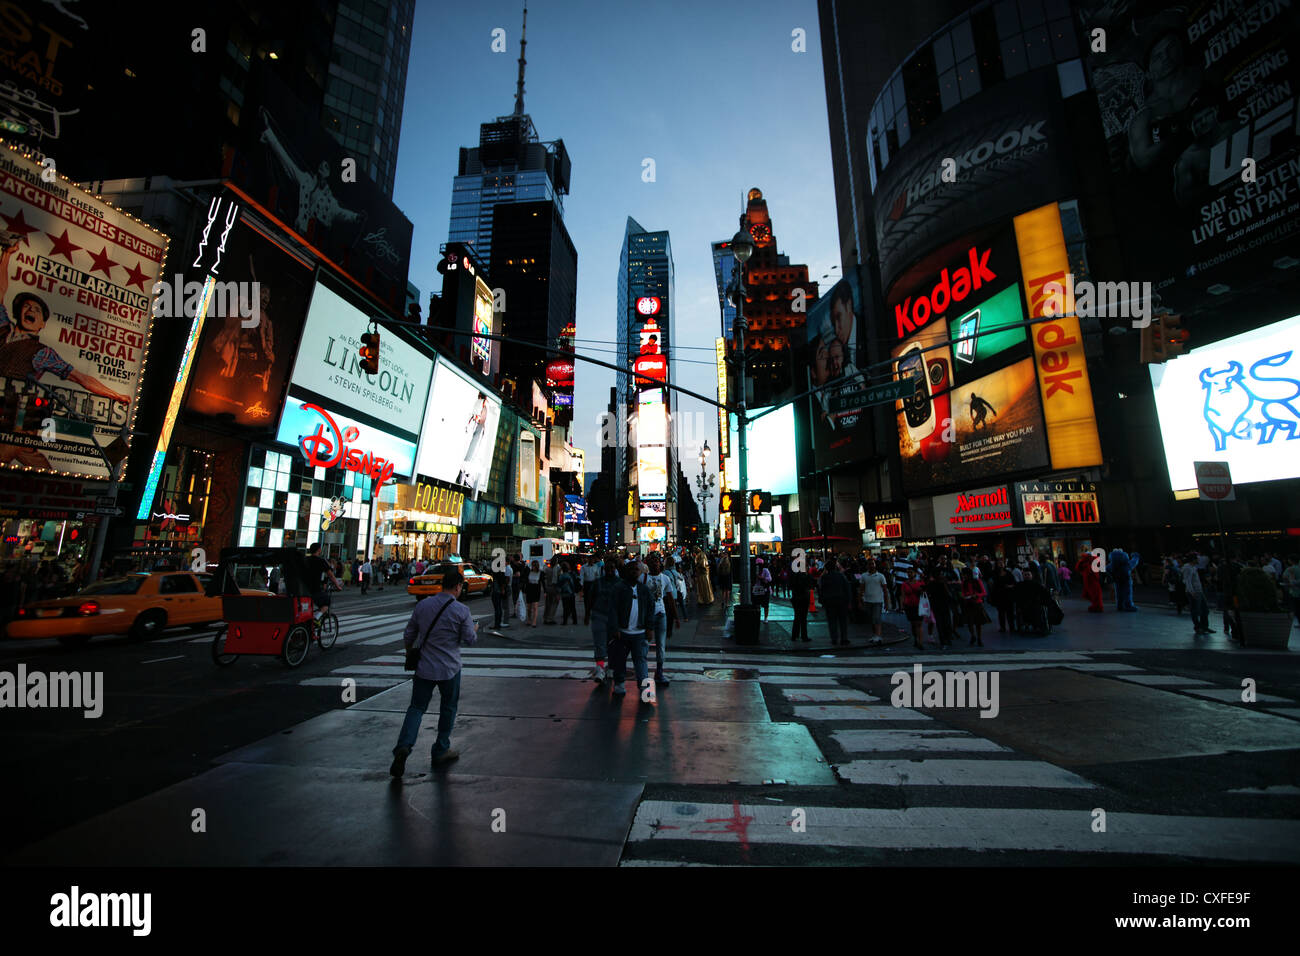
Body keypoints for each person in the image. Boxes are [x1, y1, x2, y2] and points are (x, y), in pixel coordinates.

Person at [390, 569, 478, 776]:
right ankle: (441, 748)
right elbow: (470, 640)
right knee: (448, 707)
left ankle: (404, 746)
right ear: (457, 587)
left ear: (442, 585)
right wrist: (473, 629)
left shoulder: (423, 605)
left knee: (416, 708)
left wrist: (408, 653)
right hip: (449, 668)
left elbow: (409, 633)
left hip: (424, 667)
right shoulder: (461, 610)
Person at [609, 563, 654, 702]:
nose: (634, 573)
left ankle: (645, 690)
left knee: (641, 661)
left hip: (639, 632)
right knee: (620, 660)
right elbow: (612, 609)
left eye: (636, 570)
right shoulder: (618, 588)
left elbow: (650, 609)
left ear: (640, 572)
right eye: (631, 570)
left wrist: (649, 627)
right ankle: (619, 685)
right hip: (623, 632)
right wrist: (615, 628)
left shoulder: (644, 589)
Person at [641, 553, 676, 687]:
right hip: (647, 616)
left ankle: (659, 672)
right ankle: (643, 671)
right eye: (652, 561)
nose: (655, 564)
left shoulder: (665, 578)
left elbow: (670, 598)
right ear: (647, 564)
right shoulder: (642, 578)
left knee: (661, 645)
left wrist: (676, 617)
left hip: (661, 614)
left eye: (656, 561)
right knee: (644, 644)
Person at [589, 559, 620, 684]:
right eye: (608, 568)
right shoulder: (598, 583)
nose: (610, 571)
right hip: (599, 614)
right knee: (600, 643)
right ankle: (600, 668)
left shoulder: (619, 583)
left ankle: (611, 667)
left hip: (613, 617)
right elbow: (590, 598)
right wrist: (588, 613)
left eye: (612, 568)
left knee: (613, 644)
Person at [819, 559, 852, 646]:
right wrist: (849, 601)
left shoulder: (824, 578)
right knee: (843, 621)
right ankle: (844, 638)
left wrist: (822, 600)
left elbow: (821, 590)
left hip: (829, 602)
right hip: (841, 601)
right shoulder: (841, 576)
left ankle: (834, 638)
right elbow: (847, 588)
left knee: (832, 621)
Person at [304, 543, 341, 618]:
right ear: (319, 550)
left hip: (303, 589)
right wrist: (337, 586)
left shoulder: (305, 559)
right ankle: (317, 618)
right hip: (315, 589)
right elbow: (330, 575)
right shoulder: (321, 561)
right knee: (326, 603)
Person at [859, 558, 888, 645]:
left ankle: (878, 635)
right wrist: (860, 600)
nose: (871, 566)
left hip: (878, 601)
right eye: (869, 564)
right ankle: (875, 635)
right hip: (868, 601)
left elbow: (885, 590)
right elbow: (861, 589)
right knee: (872, 619)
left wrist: (887, 602)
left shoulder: (881, 576)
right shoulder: (864, 576)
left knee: (876, 618)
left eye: (872, 564)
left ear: (875, 565)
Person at [1182, 555, 1211, 635]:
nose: (1199, 560)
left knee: (1204, 609)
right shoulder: (1188, 568)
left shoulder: (1194, 567)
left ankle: (1204, 626)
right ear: (1193, 560)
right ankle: (1198, 627)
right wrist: (1192, 592)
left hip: (1199, 591)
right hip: (1194, 591)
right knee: (1195, 610)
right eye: (1197, 559)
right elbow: (1188, 581)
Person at [960, 567, 987, 647]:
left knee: (978, 623)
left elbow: (984, 593)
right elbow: (963, 593)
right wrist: (965, 596)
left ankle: (978, 637)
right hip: (969, 603)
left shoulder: (977, 581)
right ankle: (973, 635)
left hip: (977, 603)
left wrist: (976, 595)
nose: (964, 576)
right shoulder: (964, 583)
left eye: (964, 575)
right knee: (970, 622)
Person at [900, 569, 926, 650]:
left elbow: (925, 593)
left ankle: (920, 642)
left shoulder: (920, 583)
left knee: (919, 623)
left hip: (919, 605)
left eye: (911, 572)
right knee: (913, 624)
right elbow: (902, 595)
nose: (909, 574)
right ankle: (916, 638)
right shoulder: (904, 584)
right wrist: (902, 605)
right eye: (908, 572)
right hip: (909, 606)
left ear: (914, 573)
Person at [790, 562, 812, 642]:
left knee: (797, 617)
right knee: (803, 618)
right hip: (803, 598)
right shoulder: (804, 576)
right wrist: (808, 574)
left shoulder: (795, 575)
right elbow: (809, 584)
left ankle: (794, 635)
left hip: (796, 598)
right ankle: (804, 636)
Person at [490, 560, 511, 631]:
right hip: (499, 591)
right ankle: (497, 624)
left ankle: (497, 624)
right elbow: (503, 582)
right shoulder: (501, 572)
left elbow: (500, 582)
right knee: (498, 608)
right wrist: (502, 590)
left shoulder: (497, 573)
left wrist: (502, 589)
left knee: (497, 608)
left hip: (496, 591)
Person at [581, 557, 600, 625]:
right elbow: (582, 576)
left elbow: (598, 575)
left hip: (594, 584)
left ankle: (593, 614)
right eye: (590, 560)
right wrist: (582, 586)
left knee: (594, 600)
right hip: (587, 584)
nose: (591, 561)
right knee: (587, 601)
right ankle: (587, 616)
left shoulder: (596, 566)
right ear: (588, 560)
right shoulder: (583, 567)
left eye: (592, 560)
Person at [525, 560, 544, 627]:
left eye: (534, 566)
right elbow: (526, 581)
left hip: (536, 591)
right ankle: (529, 619)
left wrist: (545, 591)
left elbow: (543, 583)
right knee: (529, 608)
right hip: (529, 591)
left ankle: (534, 621)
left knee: (535, 607)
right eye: (532, 566)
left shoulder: (540, 573)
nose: (533, 567)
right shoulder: (529, 572)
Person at [543, 559, 559, 625]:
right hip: (554, 587)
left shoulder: (547, 569)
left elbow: (544, 578)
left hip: (548, 587)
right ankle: (550, 618)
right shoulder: (557, 570)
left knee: (548, 603)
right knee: (554, 603)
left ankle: (545, 617)